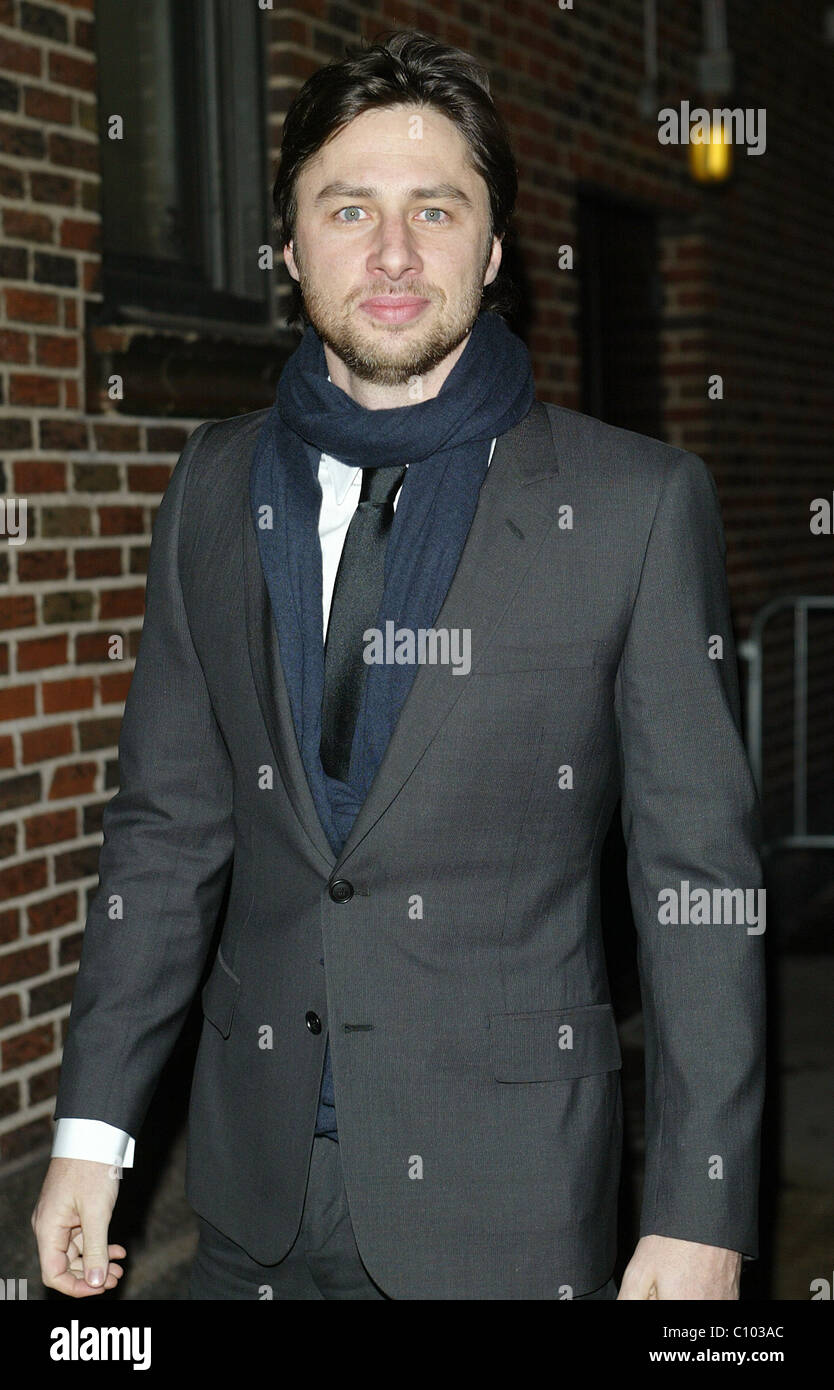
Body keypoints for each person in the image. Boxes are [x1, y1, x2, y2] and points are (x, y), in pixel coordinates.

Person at [32, 31, 765, 1301]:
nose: (389, 253)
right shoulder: (212, 486)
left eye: (435, 210)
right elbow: (165, 831)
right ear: (290, 245)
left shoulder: (636, 506)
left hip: (507, 1198)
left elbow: (696, 881)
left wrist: (702, 1208)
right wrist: (94, 1132)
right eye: (347, 208)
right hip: (251, 1191)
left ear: (491, 250)